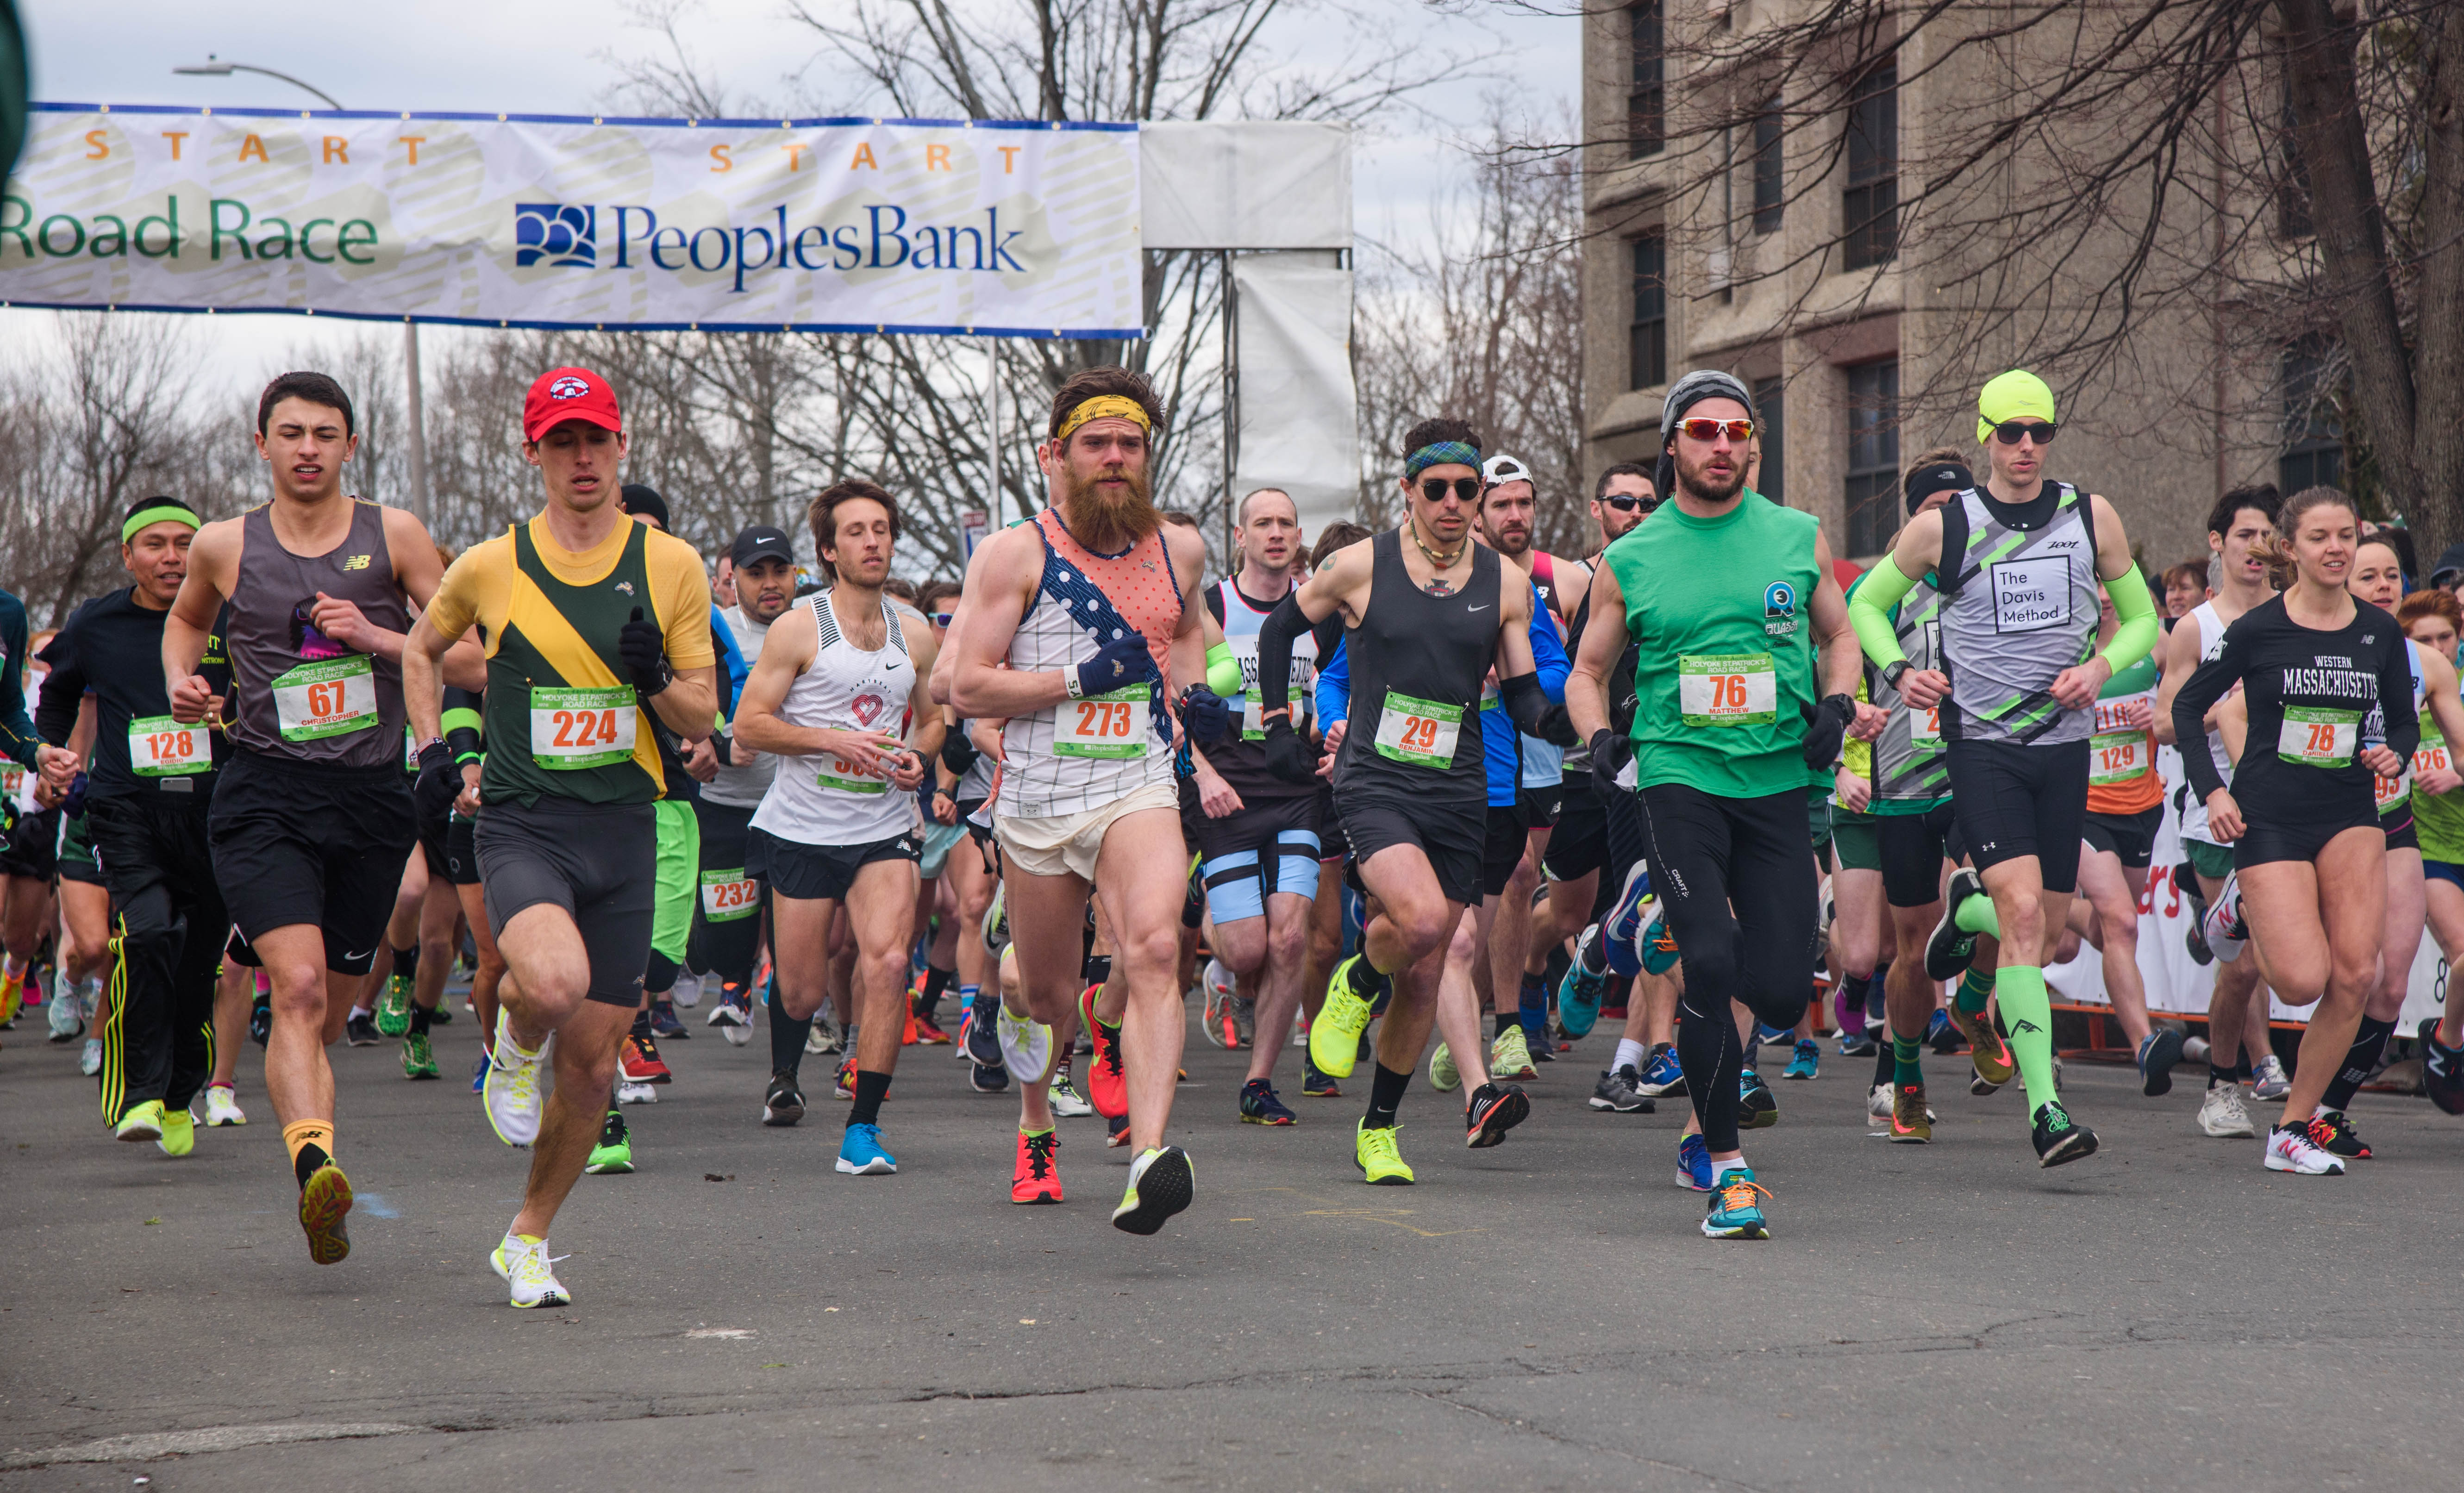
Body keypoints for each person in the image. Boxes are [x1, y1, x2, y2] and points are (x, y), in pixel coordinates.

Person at [402, 365, 719, 1305]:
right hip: (526, 824)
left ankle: (528, 1236)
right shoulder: (492, 562)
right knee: (551, 981)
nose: (582, 457)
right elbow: (422, 648)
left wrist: (655, 675)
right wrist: (429, 748)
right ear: (534, 452)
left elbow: (700, 716)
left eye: (597, 439)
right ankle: (509, 1039)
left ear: (621, 447)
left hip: (626, 827)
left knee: (591, 1075)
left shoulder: (673, 564)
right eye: (562, 440)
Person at [163, 371, 464, 1265]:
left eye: (324, 434)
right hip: (264, 793)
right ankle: (315, 1167)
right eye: (289, 433)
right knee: (292, 992)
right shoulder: (224, 545)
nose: (307, 449)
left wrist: (378, 638)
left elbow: (472, 651)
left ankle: (305, 1087)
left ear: (349, 446)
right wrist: (179, 682)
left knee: (328, 1014)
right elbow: (184, 623)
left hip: (372, 800)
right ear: (261, 444)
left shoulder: (396, 535)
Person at [1566, 372, 1871, 1236]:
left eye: (1738, 431)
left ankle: (1640, 921)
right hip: (1677, 778)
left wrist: (1838, 707)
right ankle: (1725, 1169)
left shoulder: (1793, 537)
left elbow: (1839, 634)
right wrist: (1598, 743)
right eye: (1703, 430)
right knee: (1708, 962)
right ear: (1673, 444)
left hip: (1775, 782)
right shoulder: (1634, 555)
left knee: (1777, 994)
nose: (1722, 446)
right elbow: (1586, 673)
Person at [1849, 369, 2158, 1168]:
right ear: (1985, 434)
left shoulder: (2088, 517)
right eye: (2010, 432)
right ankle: (2046, 1111)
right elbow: (1863, 605)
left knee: (2048, 934)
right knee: (2025, 919)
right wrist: (1894, 670)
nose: (2025, 447)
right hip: (1980, 747)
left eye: (2039, 432)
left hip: (2061, 750)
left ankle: (1968, 916)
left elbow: (2142, 620)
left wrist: (2101, 669)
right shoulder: (1943, 528)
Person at [943, 367, 1219, 1233]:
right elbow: (965, 687)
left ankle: (1147, 1159)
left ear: (1147, 457)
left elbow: (1188, 649)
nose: (1113, 459)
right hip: (1036, 797)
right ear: (1054, 456)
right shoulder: (1014, 554)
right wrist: (1074, 678)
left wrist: (1208, 700)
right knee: (1043, 995)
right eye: (1095, 444)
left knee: (1152, 948)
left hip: (1134, 781)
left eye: (1129, 445)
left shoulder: (1181, 549)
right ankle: (1035, 1123)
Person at [1258, 418, 1567, 1186]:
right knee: (1427, 924)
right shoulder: (1359, 566)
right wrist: (1275, 722)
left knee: (1427, 974)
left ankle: (1378, 1128)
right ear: (1407, 490)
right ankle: (1358, 982)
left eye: (1469, 490)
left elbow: (1525, 695)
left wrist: (1578, 728)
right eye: (1438, 489)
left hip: (1458, 787)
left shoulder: (1503, 582)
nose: (1454, 503)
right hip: (1375, 779)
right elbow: (1278, 630)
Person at [2169, 487, 2413, 1175]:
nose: (2335, 549)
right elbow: (2188, 709)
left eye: (2345, 535)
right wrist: (2211, 788)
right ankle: (2241, 906)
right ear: (2290, 549)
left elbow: (2401, 718)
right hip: (2268, 813)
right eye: (2318, 538)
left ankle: (2291, 1128)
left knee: (2355, 974)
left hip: (2348, 811)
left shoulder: (2378, 631)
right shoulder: (2256, 631)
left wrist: (2391, 750)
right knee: (2301, 980)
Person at [733, 480, 941, 1175]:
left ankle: (863, 1128)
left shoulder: (915, 632)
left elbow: (936, 715)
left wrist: (918, 755)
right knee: (803, 990)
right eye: (856, 531)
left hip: (882, 825)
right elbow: (750, 725)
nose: (873, 541)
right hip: (802, 828)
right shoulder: (799, 627)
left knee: (886, 962)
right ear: (827, 550)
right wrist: (832, 741)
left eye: (881, 528)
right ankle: (783, 1070)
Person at [36, 498, 225, 1151]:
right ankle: (141, 1094)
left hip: (214, 813)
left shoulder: (228, 618)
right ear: (128, 556)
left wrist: (228, 712)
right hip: (127, 811)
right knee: (148, 935)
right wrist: (52, 750)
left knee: (199, 964)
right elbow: (59, 687)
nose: (171, 557)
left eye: (184, 543)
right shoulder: (97, 623)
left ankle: (180, 1094)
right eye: (155, 544)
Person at [1187, 487, 1322, 1124]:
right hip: (1226, 792)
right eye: (1261, 523)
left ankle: (1259, 1082)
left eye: (1285, 524)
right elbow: (1170, 697)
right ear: (1238, 536)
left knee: (1290, 938)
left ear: (1299, 536)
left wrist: (1336, 736)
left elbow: (1342, 688)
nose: (1275, 533)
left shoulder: (1320, 610)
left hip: (1296, 792)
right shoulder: (1211, 605)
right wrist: (1203, 772)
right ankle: (1208, 923)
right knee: (1246, 951)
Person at [2154, 487, 2285, 1136]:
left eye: (2267, 537)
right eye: (2243, 536)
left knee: (2277, 958)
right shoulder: (2196, 628)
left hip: (2289, 808)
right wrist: (2223, 708)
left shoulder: (2297, 618)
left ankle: (2271, 1077)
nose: (2256, 550)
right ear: (2217, 543)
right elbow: (2160, 721)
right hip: (2216, 814)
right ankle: (2225, 1086)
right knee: (2244, 964)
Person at [699, 526, 796, 1058]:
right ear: (732, 579)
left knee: (795, 953)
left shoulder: (814, 631)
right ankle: (702, 952)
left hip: (796, 814)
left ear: (796, 574)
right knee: (722, 946)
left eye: (779, 571)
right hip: (726, 809)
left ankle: (786, 1076)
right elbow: (684, 703)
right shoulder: (714, 631)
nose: (770, 584)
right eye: (756, 573)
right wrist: (719, 740)